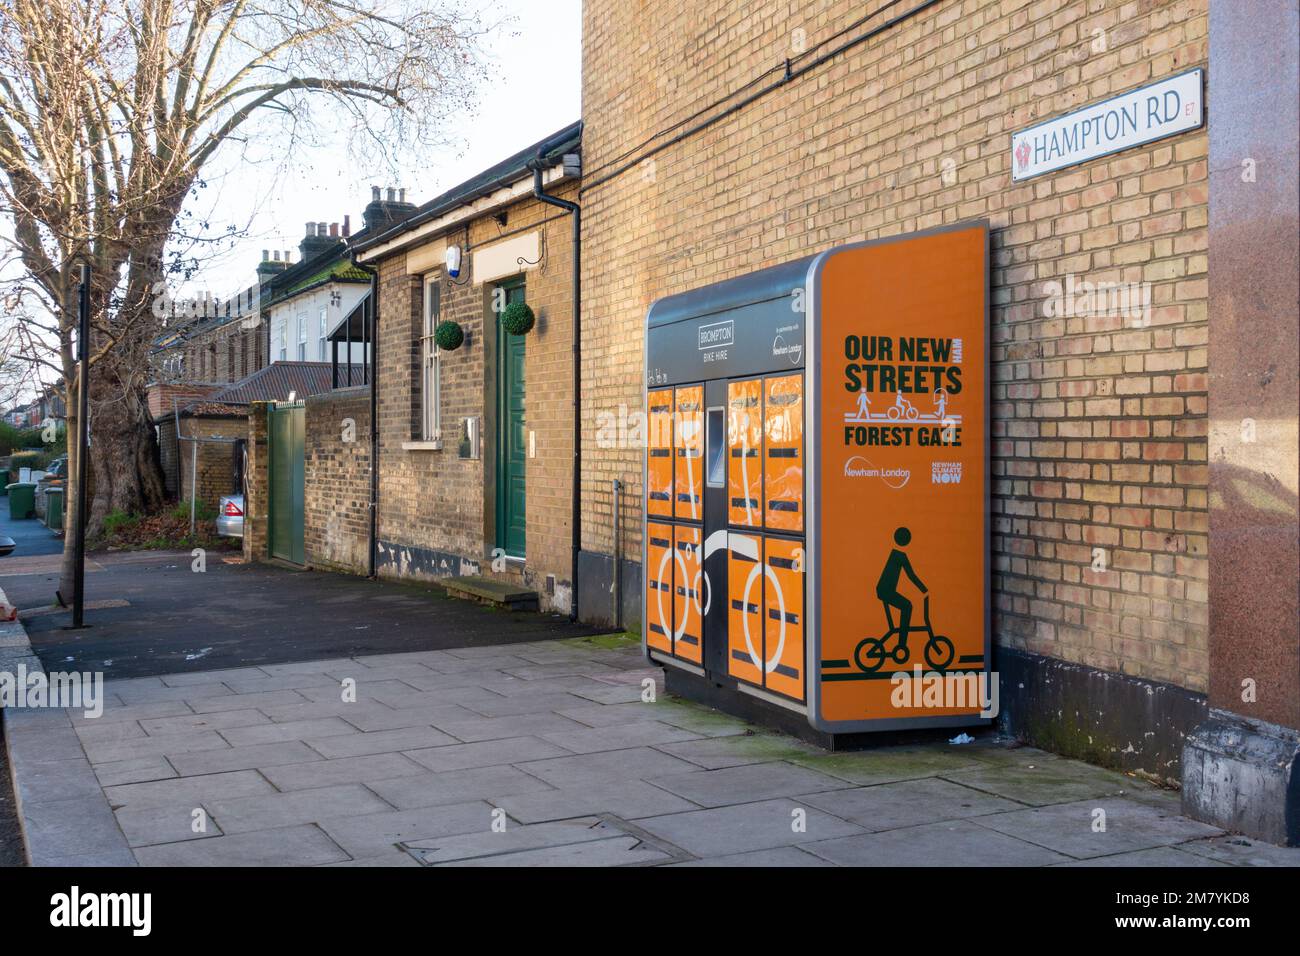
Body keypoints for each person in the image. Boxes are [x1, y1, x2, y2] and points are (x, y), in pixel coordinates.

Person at [875, 527, 927, 652]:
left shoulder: (895, 553)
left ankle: (901, 644)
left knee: (906, 606)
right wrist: (924, 590)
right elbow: (911, 575)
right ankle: (902, 645)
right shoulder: (900, 555)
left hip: (884, 590)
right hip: (885, 591)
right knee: (907, 606)